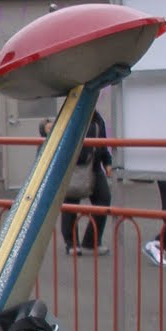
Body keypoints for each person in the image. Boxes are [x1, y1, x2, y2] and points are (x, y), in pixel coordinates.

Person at [59, 106, 113, 255]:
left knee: (103, 200)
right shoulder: (70, 115)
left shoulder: (97, 119)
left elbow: (102, 143)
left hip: (94, 167)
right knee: (71, 204)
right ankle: (71, 243)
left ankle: (92, 241)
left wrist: (107, 162)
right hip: (74, 167)